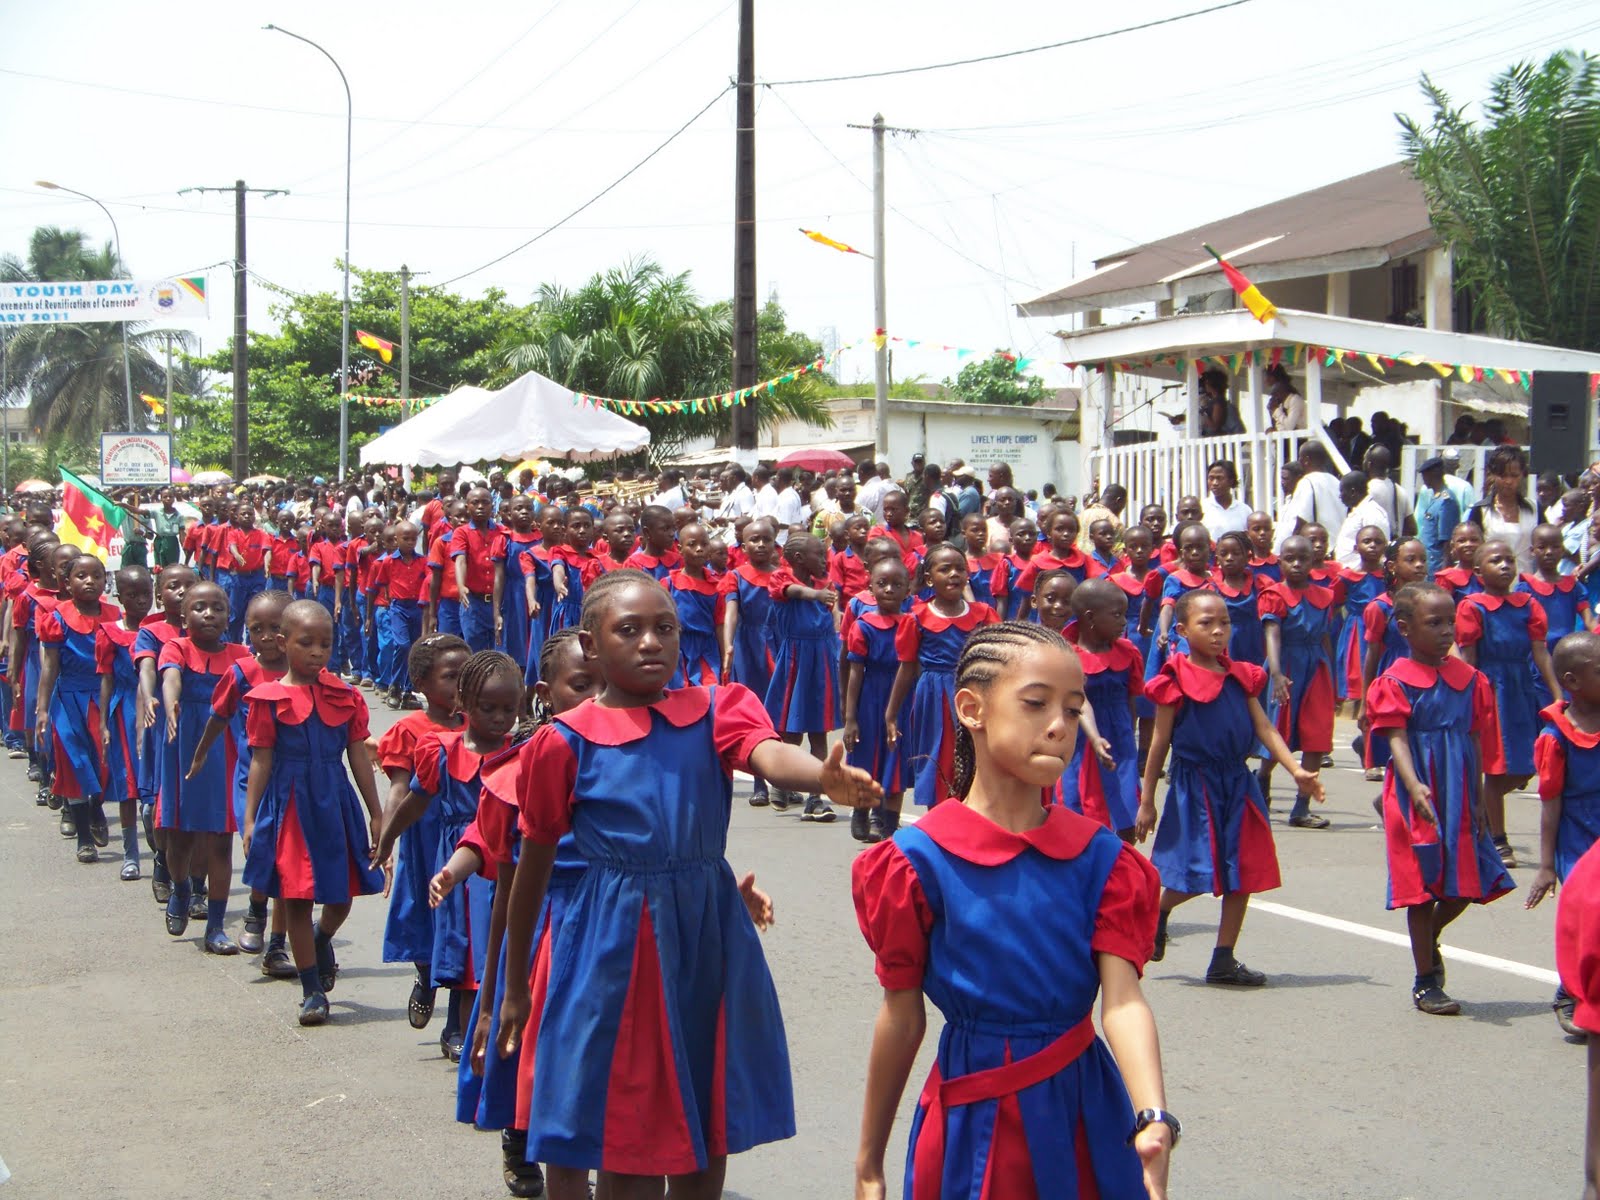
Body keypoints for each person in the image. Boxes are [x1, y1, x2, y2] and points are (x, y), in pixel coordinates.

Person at [493, 569, 881, 1197]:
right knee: (630, 1126)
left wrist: (820, 777)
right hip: (616, 945)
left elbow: (766, 753)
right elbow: (530, 874)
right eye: (630, 630)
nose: (651, 642)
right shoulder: (562, 744)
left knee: (707, 1121)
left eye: (665, 628)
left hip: (706, 932)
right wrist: (514, 989)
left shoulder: (713, 708)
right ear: (591, 646)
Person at [852, 621, 1172, 1200]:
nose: (1058, 726)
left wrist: (1153, 1117)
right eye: (1035, 704)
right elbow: (901, 1015)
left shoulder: (1103, 859)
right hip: (970, 1113)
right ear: (972, 709)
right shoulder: (915, 861)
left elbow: (1122, 1001)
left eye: (1073, 711)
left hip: (1086, 1109)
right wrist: (868, 1163)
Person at [1137, 590, 1323, 986]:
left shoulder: (1240, 675)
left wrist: (1296, 771)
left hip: (1237, 782)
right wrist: (1147, 801)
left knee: (1244, 869)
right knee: (1199, 869)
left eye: (1224, 622)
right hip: (1196, 784)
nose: (1219, 631)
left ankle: (1223, 958)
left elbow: (1265, 728)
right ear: (1184, 630)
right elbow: (1159, 744)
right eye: (1207, 624)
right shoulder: (1175, 679)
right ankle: (1158, 909)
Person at [1365, 583, 1514, 1016]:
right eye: (1435, 623)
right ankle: (1425, 979)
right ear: (1405, 629)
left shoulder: (1471, 680)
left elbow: (1475, 739)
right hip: (1417, 791)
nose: (1447, 630)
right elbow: (1396, 740)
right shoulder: (1395, 681)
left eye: (1451, 621)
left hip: (1460, 790)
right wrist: (1412, 786)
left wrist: (1482, 799)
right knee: (1420, 888)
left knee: (1468, 881)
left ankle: (1428, 938)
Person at [241, 601, 386, 1025]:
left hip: (334, 801)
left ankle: (324, 938)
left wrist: (376, 812)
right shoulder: (269, 700)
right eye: (307, 643)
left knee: (340, 896)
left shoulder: (345, 695)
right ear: (284, 644)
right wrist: (250, 818)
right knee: (297, 896)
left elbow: (358, 755)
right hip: (289, 804)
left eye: (326, 643)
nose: (318, 652)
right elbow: (260, 761)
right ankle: (312, 990)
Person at [374, 650, 519, 1060]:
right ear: (464, 705)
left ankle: (476, 1028)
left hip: (504, 859)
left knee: (491, 946)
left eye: (509, 709)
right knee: (461, 942)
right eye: (488, 708)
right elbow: (416, 801)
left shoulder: (521, 750)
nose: (498, 718)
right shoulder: (442, 750)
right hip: (459, 855)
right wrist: (388, 840)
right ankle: (456, 1025)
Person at [187, 589, 294, 973]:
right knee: (260, 850)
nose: (266, 637)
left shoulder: (306, 672)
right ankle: (255, 907)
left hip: (296, 782)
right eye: (256, 629)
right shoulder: (242, 672)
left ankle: (276, 943)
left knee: (288, 862)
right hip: (251, 778)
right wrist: (200, 754)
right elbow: (218, 717)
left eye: (276, 628)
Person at [376, 633, 470, 1037]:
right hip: (425, 837)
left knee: (463, 925)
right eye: (451, 676)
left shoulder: (481, 722)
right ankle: (426, 976)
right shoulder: (409, 730)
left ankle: (455, 1024)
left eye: (468, 674)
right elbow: (400, 789)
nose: (461, 685)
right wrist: (387, 841)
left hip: (467, 838)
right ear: (421, 685)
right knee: (425, 918)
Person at [157, 581, 252, 950]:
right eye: (199, 607)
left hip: (225, 748)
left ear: (230, 615)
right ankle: (180, 888)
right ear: (184, 615)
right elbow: (170, 678)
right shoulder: (176, 647)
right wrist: (170, 704)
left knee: (219, 841)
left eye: (217, 607)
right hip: (183, 742)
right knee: (178, 836)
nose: (209, 614)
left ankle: (215, 926)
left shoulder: (241, 654)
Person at [1457, 539, 1561, 868]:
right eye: (1495, 561)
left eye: (1509, 560)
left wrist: (1557, 693)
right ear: (1478, 571)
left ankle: (1471, 808)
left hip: (1520, 689)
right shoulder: (1472, 606)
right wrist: (1468, 696)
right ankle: (1497, 839)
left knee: (1526, 766)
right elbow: (1469, 658)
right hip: (1490, 689)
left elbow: (1540, 651)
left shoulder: (1527, 603)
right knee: (1496, 767)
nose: (1504, 566)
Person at [889, 545, 1001, 808]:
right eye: (945, 569)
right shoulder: (917, 617)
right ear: (929, 578)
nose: (954, 574)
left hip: (974, 693)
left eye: (960, 569)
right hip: (934, 696)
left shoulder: (983, 614)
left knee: (976, 757)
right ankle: (939, 822)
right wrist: (891, 713)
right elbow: (906, 667)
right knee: (940, 757)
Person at [1530, 632, 1600, 1036]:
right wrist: (1545, 865)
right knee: (1585, 917)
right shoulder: (1556, 736)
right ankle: (1567, 991)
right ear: (1572, 681)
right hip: (1577, 834)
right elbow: (1551, 802)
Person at [34, 553, 120, 865]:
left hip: (103, 697)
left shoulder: (113, 615)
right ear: (67, 583)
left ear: (105, 581)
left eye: (96, 575)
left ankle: (96, 806)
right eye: (81, 576)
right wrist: (43, 709)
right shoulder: (56, 617)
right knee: (74, 763)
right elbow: (50, 667)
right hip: (68, 698)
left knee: (102, 761)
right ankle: (84, 837)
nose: (89, 581)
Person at [762, 534, 843, 820]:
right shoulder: (780, 578)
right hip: (795, 659)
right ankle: (782, 783)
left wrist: (836, 613)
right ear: (798, 559)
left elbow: (834, 615)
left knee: (819, 732)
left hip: (821, 661)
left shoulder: (825, 584)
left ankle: (816, 798)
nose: (824, 560)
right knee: (791, 732)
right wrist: (817, 595)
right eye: (818, 555)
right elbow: (792, 592)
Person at [1259, 536, 1338, 829]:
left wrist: (1334, 679)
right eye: (1289, 558)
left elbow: (1326, 637)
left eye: (1302, 559)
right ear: (1279, 561)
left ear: (1313, 562)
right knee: (1279, 732)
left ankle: (1301, 807)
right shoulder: (1274, 594)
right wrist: (1276, 674)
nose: (1296, 564)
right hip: (1286, 665)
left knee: (1316, 736)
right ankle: (1262, 777)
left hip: (1317, 667)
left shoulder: (1325, 596)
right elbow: (1272, 634)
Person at [1059, 579, 1144, 838]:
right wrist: (1095, 739)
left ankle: (1122, 868)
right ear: (1090, 617)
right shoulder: (1068, 655)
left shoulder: (1128, 652)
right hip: (1082, 741)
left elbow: (1132, 700)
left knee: (1125, 808)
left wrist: (1133, 739)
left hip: (1120, 739)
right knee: (1081, 808)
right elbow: (1080, 702)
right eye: (1117, 615)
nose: (1123, 622)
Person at [843, 556, 914, 845]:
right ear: (870, 587)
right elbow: (855, 673)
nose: (889, 590)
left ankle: (888, 822)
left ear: (907, 591)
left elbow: (913, 666)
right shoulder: (862, 626)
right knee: (866, 756)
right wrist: (850, 718)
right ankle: (862, 812)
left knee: (896, 756)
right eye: (882, 583)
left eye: (897, 585)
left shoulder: (912, 624)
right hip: (871, 697)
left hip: (903, 697)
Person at [97, 565, 153, 881]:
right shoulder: (110, 632)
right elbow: (106, 678)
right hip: (125, 712)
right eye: (132, 595)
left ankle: (162, 852)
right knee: (127, 784)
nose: (140, 600)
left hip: (155, 709)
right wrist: (104, 721)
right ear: (120, 598)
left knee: (155, 784)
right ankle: (131, 854)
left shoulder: (161, 629)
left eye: (145, 593)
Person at [718, 517, 780, 807]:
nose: (760, 544)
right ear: (743, 546)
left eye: (766, 539)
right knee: (754, 712)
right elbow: (731, 611)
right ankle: (759, 782)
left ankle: (782, 779)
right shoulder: (736, 576)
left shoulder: (783, 575)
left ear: (775, 542)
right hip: (749, 646)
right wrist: (728, 644)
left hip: (780, 644)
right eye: (754, 540)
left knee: (779, 710)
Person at [1522, 524, 1596, 710]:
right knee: (1545, 708)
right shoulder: (1525, 589)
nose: (1549, 552)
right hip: (1538, 660)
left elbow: (1589, 621)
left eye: (1555, 546)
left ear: (1562, 550)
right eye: (1542, 547)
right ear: (1532, 551)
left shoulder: (1573, 586)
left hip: (1568, 659)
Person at [664, 523, 722, 686]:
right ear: (680, 549)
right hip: (678, 647)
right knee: (680, 690)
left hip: (707, 649)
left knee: (709, 688)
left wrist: (725, 656)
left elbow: (720, 625)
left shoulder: (717, 585)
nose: (699, 549)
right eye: (692, 544)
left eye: (704, 544)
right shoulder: (669, 584)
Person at [453, 487, 508, 654]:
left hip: (501, 602)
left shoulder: (503, 532)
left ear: (493, 506)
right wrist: (461, 585)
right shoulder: (461, 532)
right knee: (475, 650)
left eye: (485, 502)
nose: (480, 507)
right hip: (473, 603)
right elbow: (460, 560)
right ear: (467, 506)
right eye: (475, 503)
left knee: (500, 651)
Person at [1469, 446, 1538, 573]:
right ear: (1493, 475)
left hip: (1528, 584)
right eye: (1503, 475)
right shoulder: (1480, 511)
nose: (1509, 481)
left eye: (1514, 475)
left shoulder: (1535, 509)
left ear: (1523, 475)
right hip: (1492, 584)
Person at [1274, 441, 1345, 552]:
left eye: (1300, 458)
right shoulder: (1336, 482)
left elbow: (1301, 521)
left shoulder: (1307, 482)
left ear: (1306, 459)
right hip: (1337, 547)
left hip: (1318, 551)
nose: (1300, 461)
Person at [1414, 456, 1462, 576]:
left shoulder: (1446, 501)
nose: (1423, 479)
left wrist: (1444, 573)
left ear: (1433, 474)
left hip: (1437, 565)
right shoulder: (1435, 498)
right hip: (1428, 563)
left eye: (1424, 474)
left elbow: (1447, 542)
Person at [1333, 472, 1392, 568]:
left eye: (1342, 492)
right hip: (1348, 574)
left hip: (1363, 576)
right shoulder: (1359, 511)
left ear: (1352, 492)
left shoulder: (1372, 512)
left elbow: (1380, 550)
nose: (1340, 497)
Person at [1201, 459, 1251, 540]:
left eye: (1219, 478)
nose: (1214, 483)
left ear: (1231, 481)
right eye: (1211, 478)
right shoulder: (1202, 508)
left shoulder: (1244, 510)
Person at [1266, 363, 1306, 432]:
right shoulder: (1281, 404)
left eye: (1276, 393)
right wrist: (1276, 429)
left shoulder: (1295, 400)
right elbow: (1281, 426)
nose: (1275, 396)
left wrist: (1276, 410)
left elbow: (1289, 426)